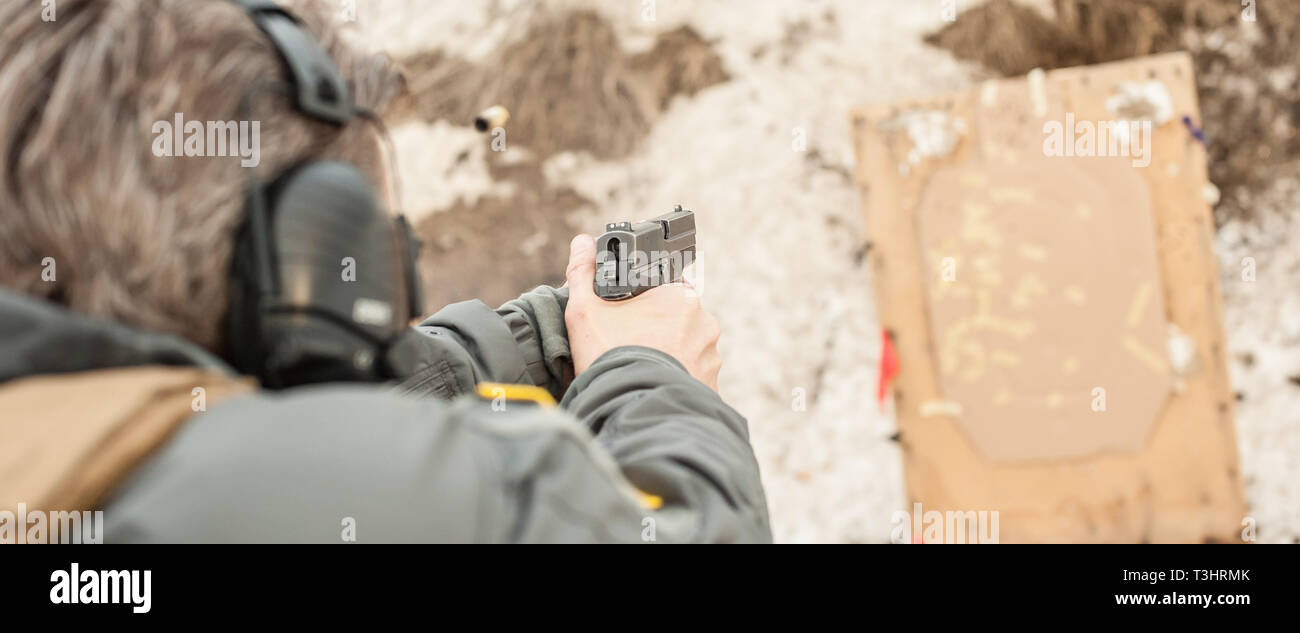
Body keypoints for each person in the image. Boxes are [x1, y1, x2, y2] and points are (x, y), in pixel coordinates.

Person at [0, 0, 770, 543]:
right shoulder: (284, 496)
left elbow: (288, 402)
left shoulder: (63, 447)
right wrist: (653, 377)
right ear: (310, 263)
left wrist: (546, 339)